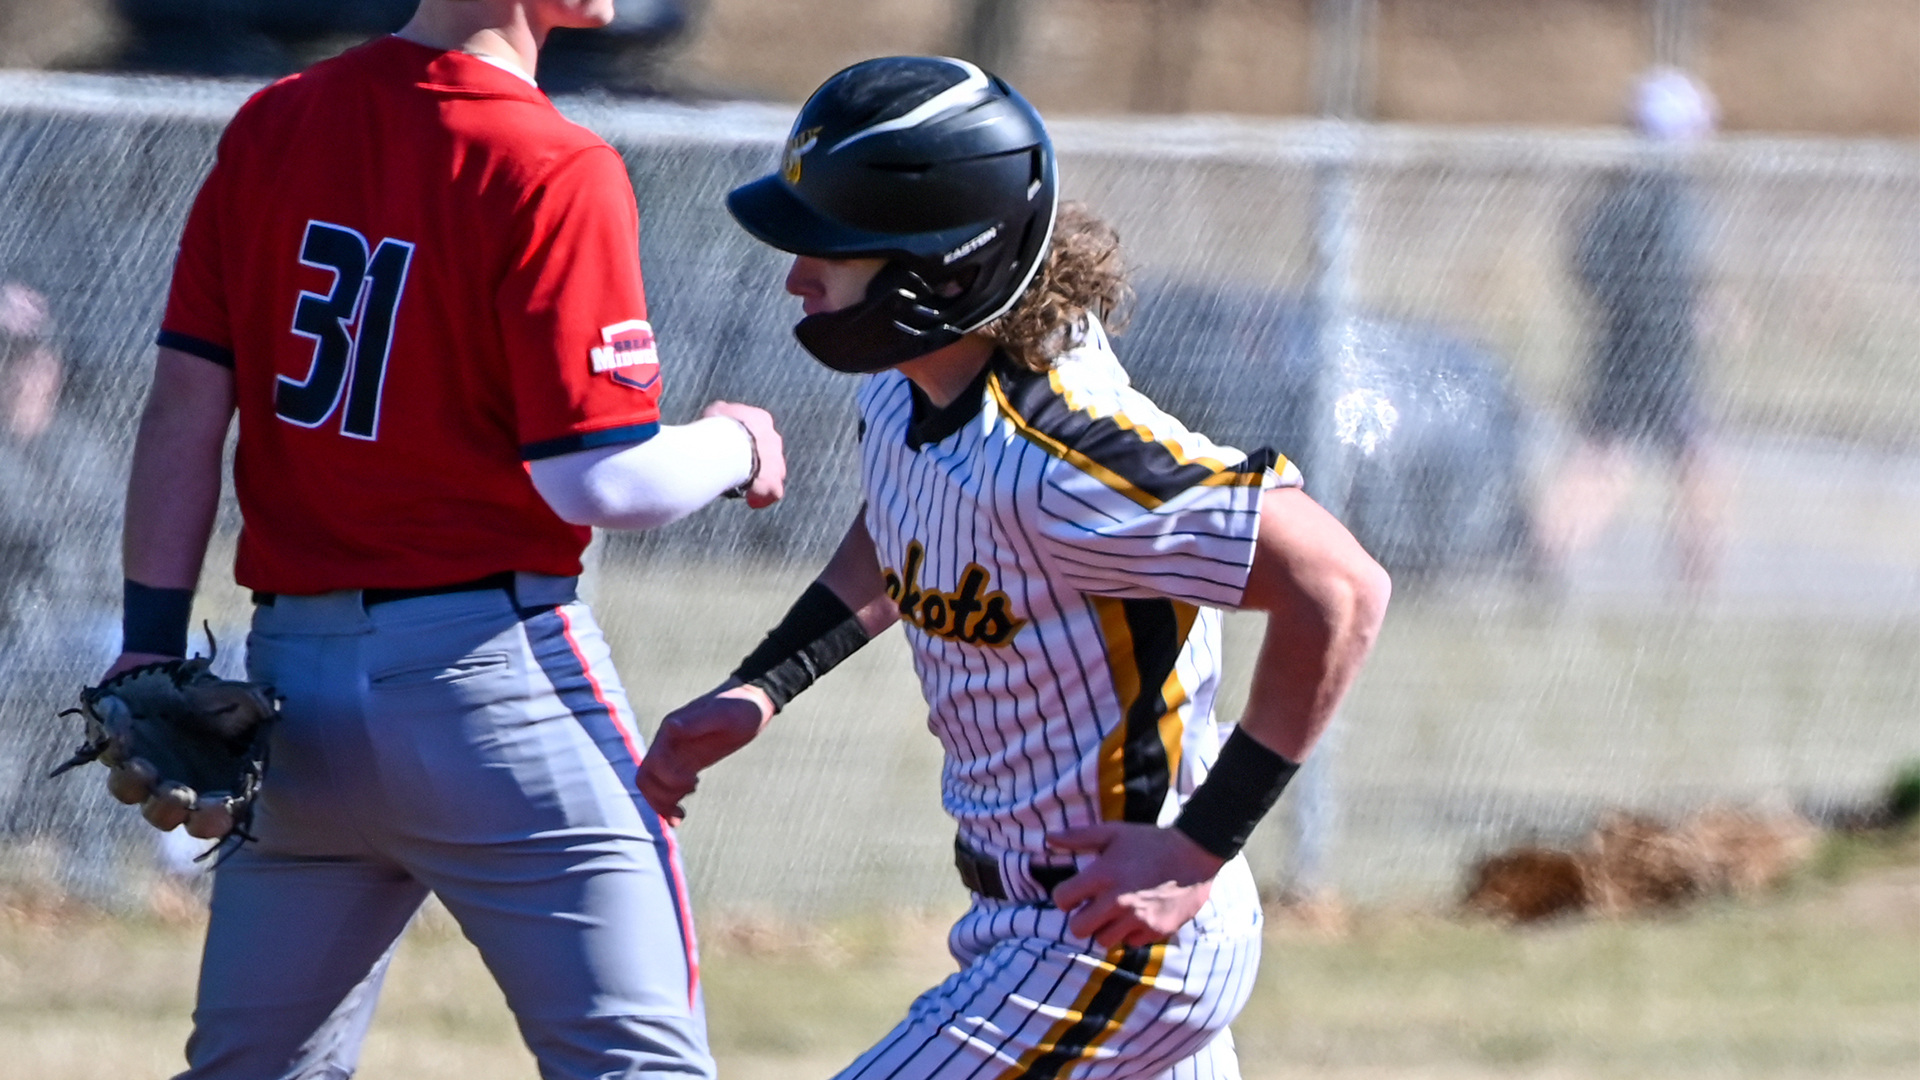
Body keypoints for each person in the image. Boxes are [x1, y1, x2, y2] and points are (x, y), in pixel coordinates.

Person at [637, 56, 1390, 1079]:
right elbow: (906, 526)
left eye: (833, 245)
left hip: (1112, 936)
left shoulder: (1058, 456)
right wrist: (765, 686)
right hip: (1043, 916)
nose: (795, 273)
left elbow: (1339, 587)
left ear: (944, 270)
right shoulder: (909, 385)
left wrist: (1202, 845)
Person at [94, 2, 786, 1077]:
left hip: (289, 694)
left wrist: (147, 643)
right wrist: (736, 442)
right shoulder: (553, 158)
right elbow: (603, 476)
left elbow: (186, 404)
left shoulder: (277, 120)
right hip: (492, 691)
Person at [1537, 67, 1722, 591]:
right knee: (1656, 467)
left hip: (1639, 351)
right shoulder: (1657, 195)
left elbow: (1599, 267)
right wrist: (1670, 311)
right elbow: (1639, 273)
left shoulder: (1631, 191)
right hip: (1656, 358)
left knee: (1615, 461)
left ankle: (1545, 553)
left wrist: (1696, 302)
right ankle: (1694, 584)